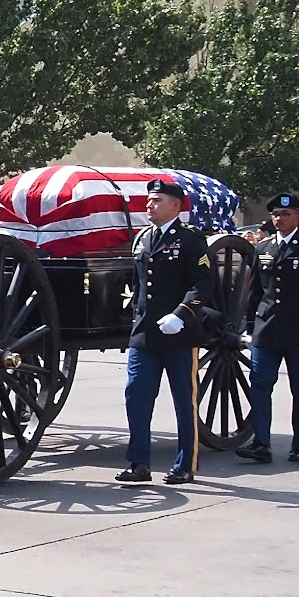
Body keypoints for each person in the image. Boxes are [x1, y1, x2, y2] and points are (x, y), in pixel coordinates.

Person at [116, 178, 215, 485]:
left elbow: (202, 285)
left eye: (157, 200)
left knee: (184, 400)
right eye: (149, 199)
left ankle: (186, 464)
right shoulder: (143, 238)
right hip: (145, 333)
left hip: (178, 334)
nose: (150, 204)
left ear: (176, 205)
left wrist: (181, 314)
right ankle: (139, 463)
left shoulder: (190, 239)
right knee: (136, 394)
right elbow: (137, 283)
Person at [237, 194, 299, 463]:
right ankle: (261, 442)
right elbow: (254, 292)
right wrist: (249, 325)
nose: (279, 219)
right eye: (275, 214)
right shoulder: (264, 248)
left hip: (298, 331)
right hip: (266, 330)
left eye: (285, 214)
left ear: (298, 216)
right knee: (261, 385)